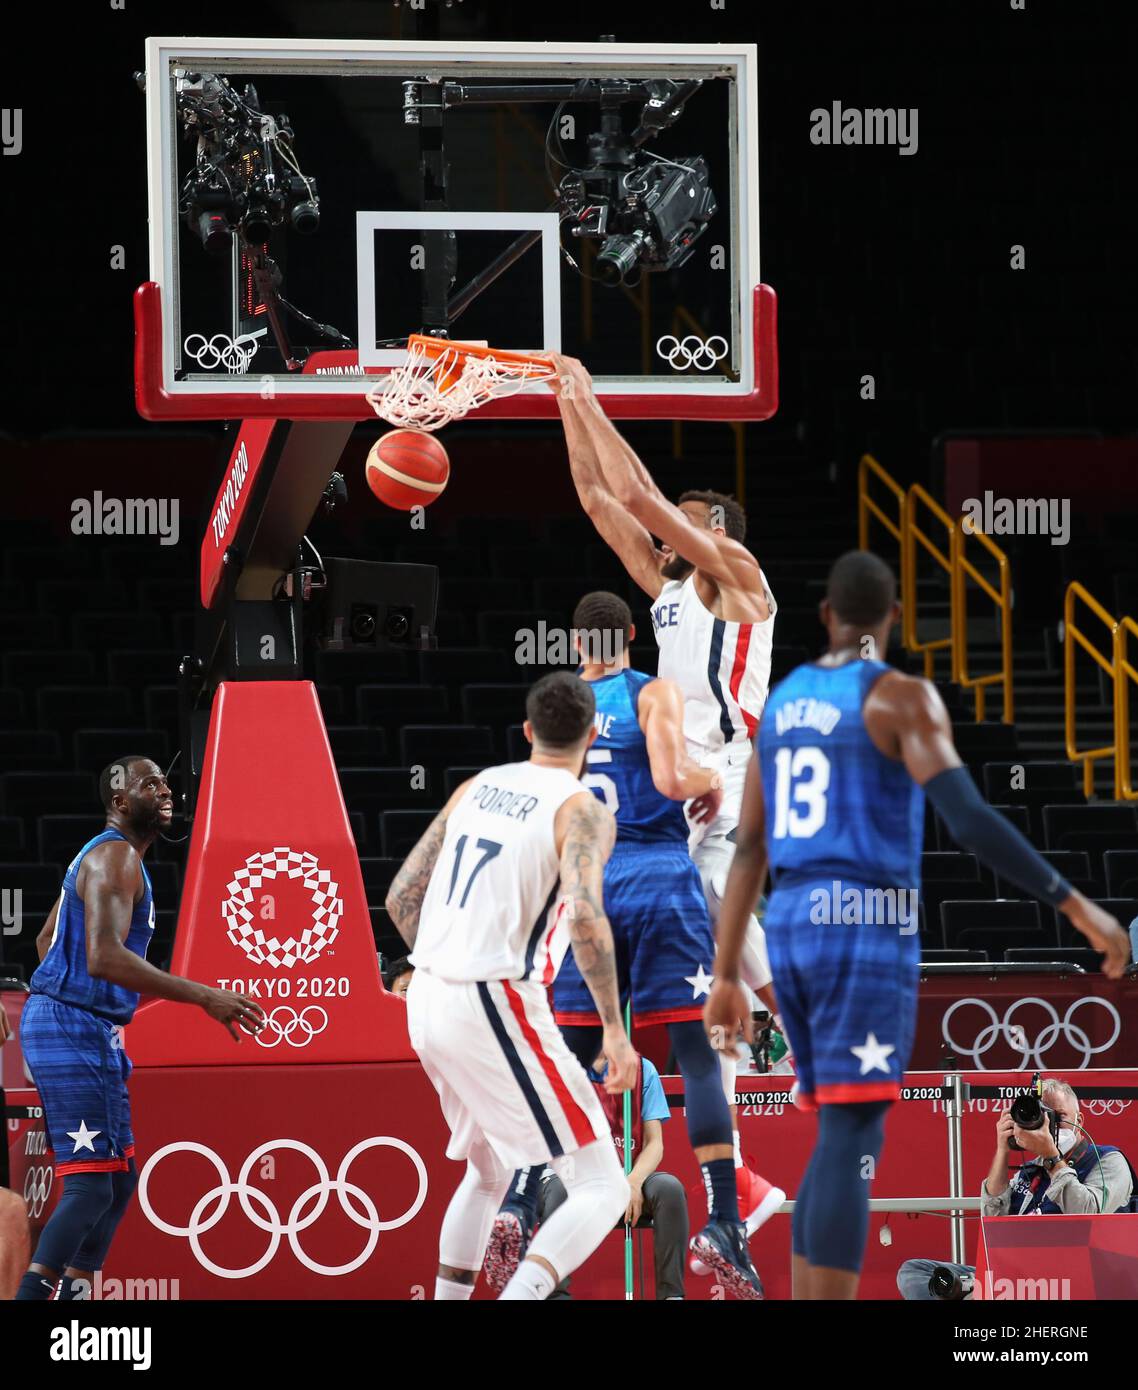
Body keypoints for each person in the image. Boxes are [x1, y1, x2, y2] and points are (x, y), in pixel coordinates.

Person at [705, 550, 1131, 1300]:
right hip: (863, 933)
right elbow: (968, 820)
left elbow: (747, 849)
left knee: (835, 1140)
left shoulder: (781, 703)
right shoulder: (899, 698)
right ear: (893, 619)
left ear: (827, 618)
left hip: (794, 930)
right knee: (850, 1137)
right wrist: (1077, 904)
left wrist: (726, 971)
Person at [552, 353, 781, 1218]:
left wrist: (588, 390)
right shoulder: (670, 590)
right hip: (671, 780)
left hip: (725, 768)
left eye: (685, 523)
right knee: (684, 963)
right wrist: (565, 406)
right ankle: (733, 1167)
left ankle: (776, 1037)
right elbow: (601, 502)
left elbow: (641, 497)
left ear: (715, 527)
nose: (663, 531)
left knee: (712, 949)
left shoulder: (739, 580)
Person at [385, 672, 637, 1302]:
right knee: (603, 1184)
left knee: (488, 1168)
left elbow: (399, 899)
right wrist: (613, 1027)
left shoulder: (479, 785)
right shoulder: (582, 810)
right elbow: (583, 917)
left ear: (527, 731)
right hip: (489, 996)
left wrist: (445, 953)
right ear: (593, 733)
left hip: (428, 994)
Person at [540, 591, 764, 1297]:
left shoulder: (561, 707)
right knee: (697, 1058)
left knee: (568, 1057)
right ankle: (725, 1218)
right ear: (634, 633)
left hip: (591, 887)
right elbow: (671, 779)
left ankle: (526, 1196)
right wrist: (706, 782)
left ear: (573, 642)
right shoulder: (652, 691)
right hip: (661, 880)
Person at [14, 757, 265, 1301]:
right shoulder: (117, 858)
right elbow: (104, 958)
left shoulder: (99, 856)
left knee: (118, 1181)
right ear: (121, 801)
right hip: (73, 1026)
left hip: (74, 1022)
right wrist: (204, 996)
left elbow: (45, 945)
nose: (166, 790)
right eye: (150, 784)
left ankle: (75, 1297)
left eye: (166, 782)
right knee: (87, 1187)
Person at [897, 1077, 1136, 1299]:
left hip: (1078, 1277)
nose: (1050, 1126)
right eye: (1044, 1118)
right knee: (914, 1273)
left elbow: (1087, 1213)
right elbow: (992, 1221)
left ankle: (978, 1295)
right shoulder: (1032, 1168)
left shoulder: (1108, 1160)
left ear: (1079, 1120)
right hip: (1018, 1276)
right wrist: (1002, 1150)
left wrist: (1051, 1155)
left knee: (959, 1290)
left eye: (1059, 1116)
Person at [490, 1053, 690, 1300]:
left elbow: (654, 1143)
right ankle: (556, 1296)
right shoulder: (561, 1063)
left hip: (626, 1177)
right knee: (559, 1191)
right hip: (567, 1176)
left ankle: (672, 1295)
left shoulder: (642, 1069)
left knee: (669, 1189)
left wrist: (634, 1182)